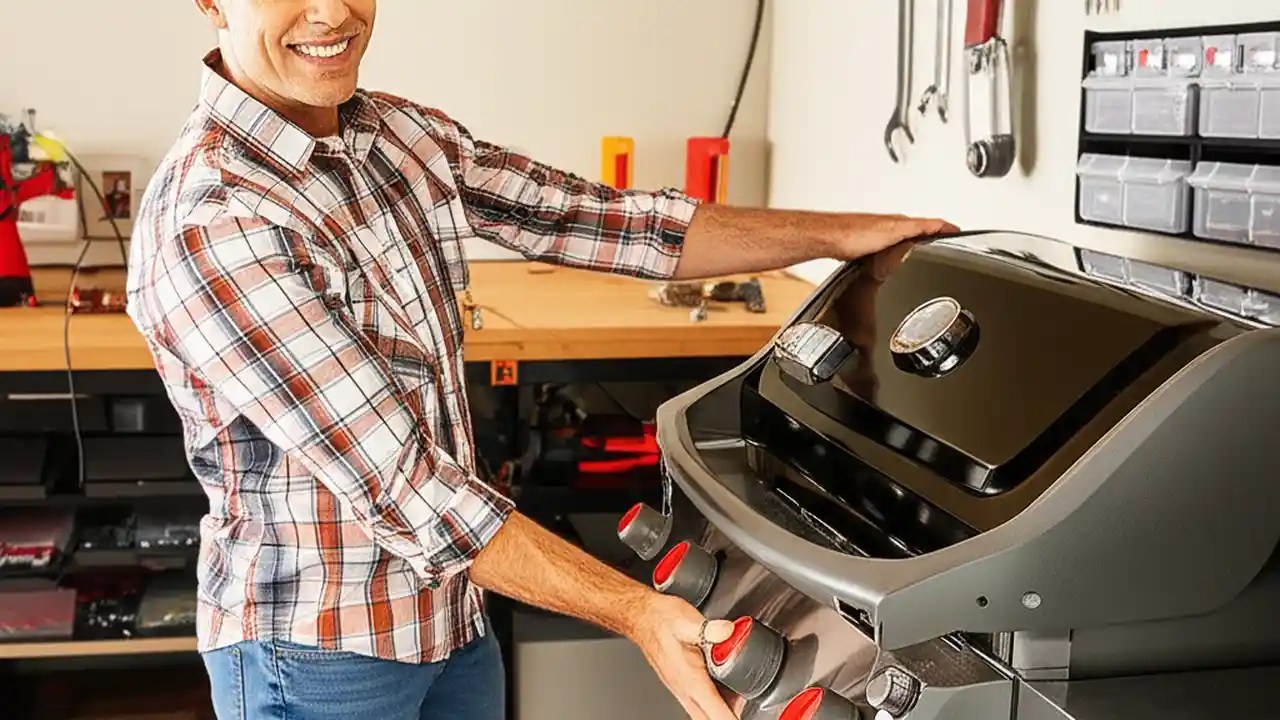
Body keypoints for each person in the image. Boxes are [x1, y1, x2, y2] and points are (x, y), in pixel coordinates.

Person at [125, 1, 957, 718]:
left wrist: (844, 236)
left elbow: (617, 222)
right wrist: (636, 611)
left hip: (452, 611)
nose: (333, 13)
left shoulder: (397, 138)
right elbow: (408, 485)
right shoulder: (216, 217)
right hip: (319, 652)